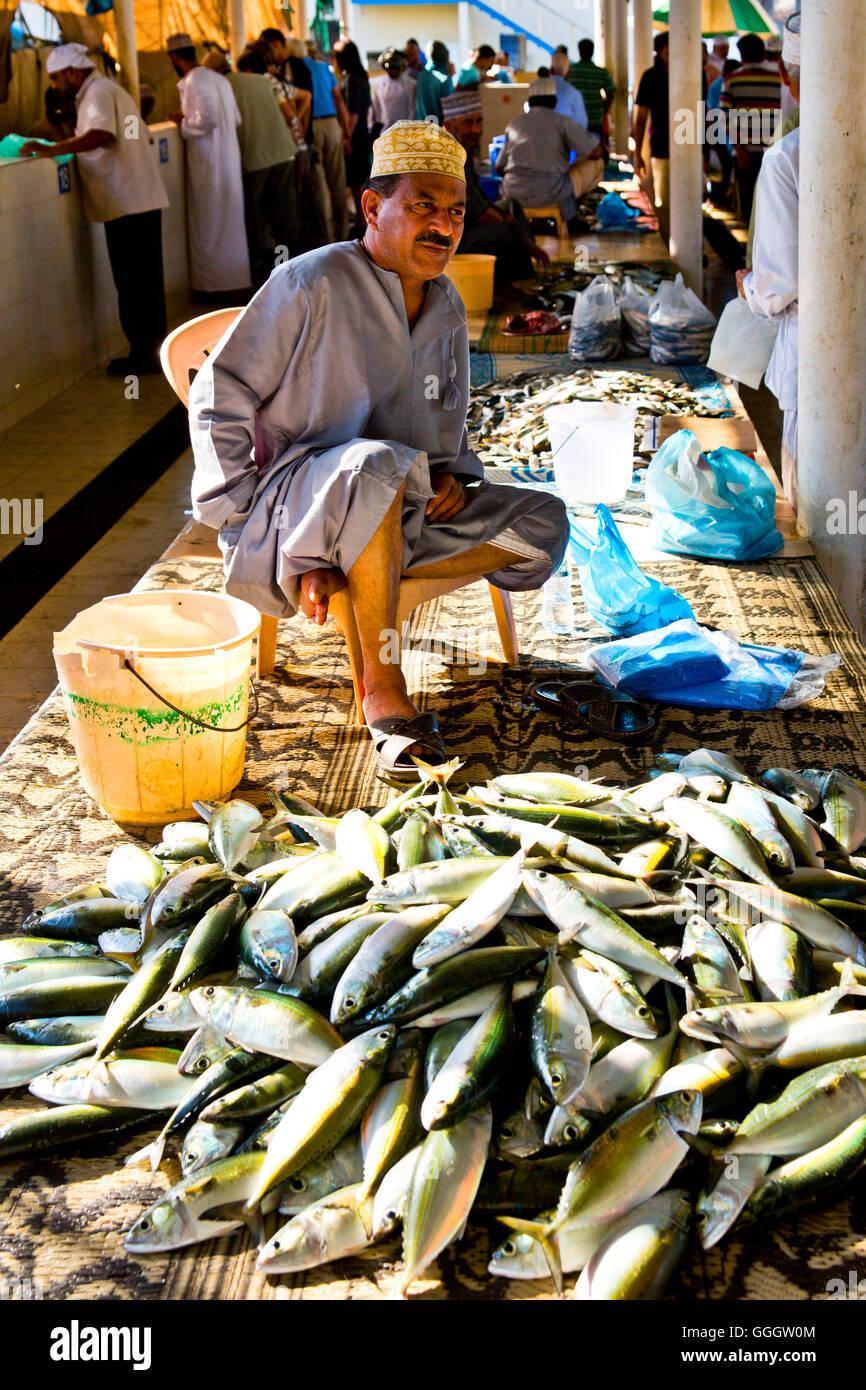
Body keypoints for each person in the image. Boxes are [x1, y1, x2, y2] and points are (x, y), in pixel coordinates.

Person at [187, 119, 567, 776]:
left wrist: (453, 479)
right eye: (423, 206)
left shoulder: (445, 303)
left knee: (545, 524)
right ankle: (382, 692)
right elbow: (219, 392)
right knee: (376, 467)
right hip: (292, 502)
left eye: (454, 212)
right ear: (372, 207)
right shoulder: (312, 281)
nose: (444, 228)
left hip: (406, 506)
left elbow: (444, 420)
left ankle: (360, 576)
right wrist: (246, 515)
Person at [22, 42, 168, 375]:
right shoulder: (108, 90)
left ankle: (143, 356)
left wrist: (54, 148)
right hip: (138, 199)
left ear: (72, 72)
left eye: (57, 79)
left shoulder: (98, 93)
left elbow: (102, 134)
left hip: (127, 202)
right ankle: (154, 352)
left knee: (133, 283)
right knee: (145, 282)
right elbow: (140, 137)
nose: (56, 87)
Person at [736, 16, 800, 507]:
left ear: (786, 71)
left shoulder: (788, 158)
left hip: (820, 363)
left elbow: (778, 286)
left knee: (822, 519)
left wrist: (747, 286)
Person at [203, 50, 300, 286]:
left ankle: (259, 279)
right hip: (284, 153)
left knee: (253, 221)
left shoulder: (223, 86)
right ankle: (289, 272)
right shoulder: (260, 79)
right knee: (284, 219)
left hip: (254, 159)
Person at [166, 33, 250, 297]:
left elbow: (209, 118)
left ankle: (213, 288)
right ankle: (233, 281)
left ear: (175, 58)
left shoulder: (194, 80)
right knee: (229, 224)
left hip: (209, 164)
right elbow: (235, 119)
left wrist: (182, 122)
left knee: (210, 224)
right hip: (227, 161)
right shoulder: (218, 79)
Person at [442, 89, 549, 286]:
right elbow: (481, 213)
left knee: (512, 205)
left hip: (470, 225)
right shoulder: (449, 157)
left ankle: (526, 272)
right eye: (467, 123)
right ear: (449, 126)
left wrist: (504, 214)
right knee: (511, 231)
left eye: (479, 121)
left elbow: (480, 198)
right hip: (452, 238)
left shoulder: (463, 151)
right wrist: (524, 239)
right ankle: (523, 283)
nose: (476, 129)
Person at [496, 77, 604, 231]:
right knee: (595, 162)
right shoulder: (563, 122)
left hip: (514, 193)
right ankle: (570, 216)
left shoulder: (515, 123)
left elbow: (499, 167)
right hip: (551, 192)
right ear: (554, 102)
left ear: (530, 101)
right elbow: (595, 152)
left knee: (561, 172)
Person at [720, 32, 781, 223]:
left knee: (748, 204)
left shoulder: (731, 80)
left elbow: (724, 117)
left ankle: (750, 247)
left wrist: (738, 148)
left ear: (742, 55)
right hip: (775, 151)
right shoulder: (778, 78)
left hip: (745, 153)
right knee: (772, 204)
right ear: (763, 53)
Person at [301, 39, 352, 242]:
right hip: (331, 124)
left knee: (318, 185)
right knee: (337, 180)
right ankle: (343, 235)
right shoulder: (324, 68)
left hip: (311, 126)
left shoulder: (295, 68)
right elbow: (338, 99)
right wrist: (345, 129)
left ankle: (326, 239)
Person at [632, 32, 671, 243]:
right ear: (661, 50)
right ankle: (669, 244)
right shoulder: (651, 76)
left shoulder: (691, 73)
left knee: (690, 201)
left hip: (689, 148)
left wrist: (703, 153)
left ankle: (690, 247)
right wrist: (638, 155)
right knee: (663, 204)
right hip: (661, 149)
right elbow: (640, 120)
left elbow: (701, 113)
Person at [333, 39, 372, 238]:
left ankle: (360, 221)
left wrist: (347, 136)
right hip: (362, 133)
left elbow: (353, 112)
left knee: (357, 181)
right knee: (359, 179)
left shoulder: (352, 79)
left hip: (355, 135)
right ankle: (361, 219)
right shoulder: (361, 77)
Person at [563, 39, 615, 141]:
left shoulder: (570, 71)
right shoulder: (601, 72)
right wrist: (603, 111)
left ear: (579, 51)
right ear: (592, 51)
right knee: (596, 151)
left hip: (575, 120)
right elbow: (611, 93)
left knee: (576, 152)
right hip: (595, 119)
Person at [370, 48, 416, 137]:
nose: (392, 71)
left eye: (396, 68)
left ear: (402, 67)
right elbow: (375, 108)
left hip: (405, 133)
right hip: (384, 132)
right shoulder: (379, 83)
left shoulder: (411, 84)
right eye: (389, 68)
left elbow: (412, 110)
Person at [413, 41, 453, 122]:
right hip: (439, 131)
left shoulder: (421, 76)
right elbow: (450, 113)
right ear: (446, 56)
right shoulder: (444, 79)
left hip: (422, 130)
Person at [548, 50, 588, 127]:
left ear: (551, 70)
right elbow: (582, 125)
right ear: (568, 73)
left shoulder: (539, 89)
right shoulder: (574, 93)